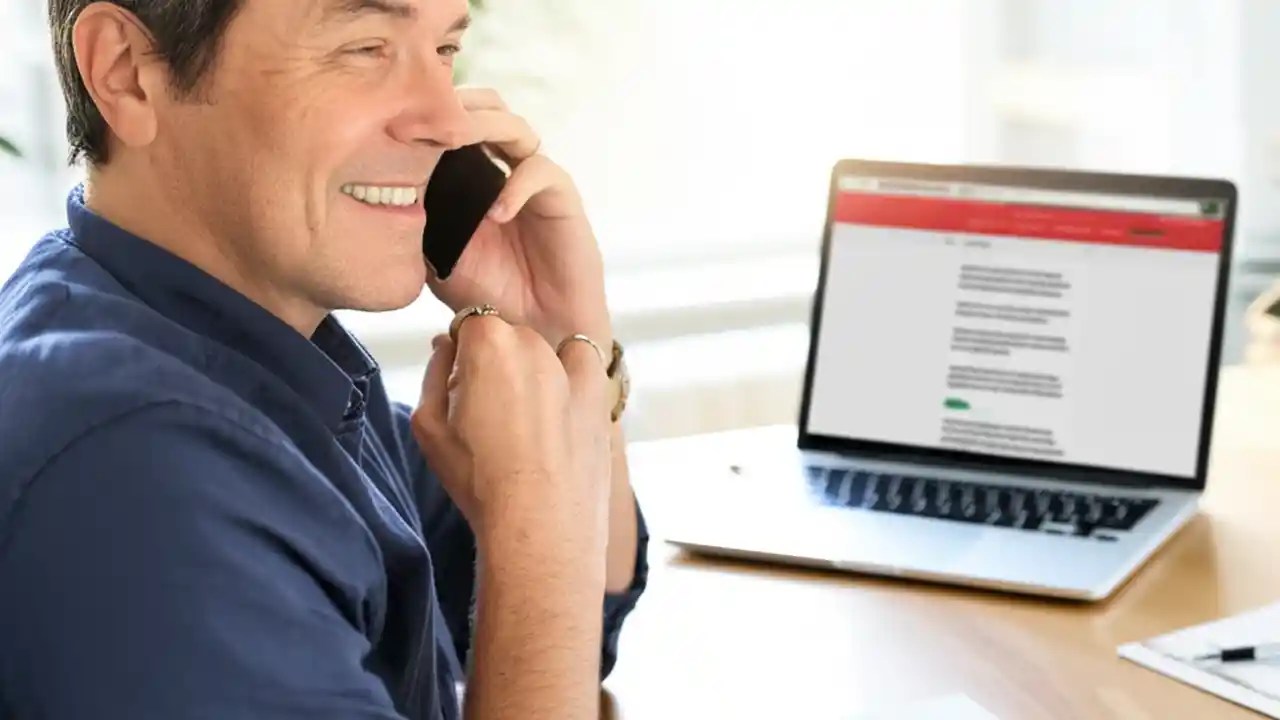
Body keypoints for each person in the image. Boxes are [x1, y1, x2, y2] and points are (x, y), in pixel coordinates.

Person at [0, 0, 648, 718]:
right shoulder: (136, 472)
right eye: (366, 48)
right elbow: (551, 601)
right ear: (126, 72)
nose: (449, 122)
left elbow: (574, 623)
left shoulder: (257, 360)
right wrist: (538, 537)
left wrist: (561, 335)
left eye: (442, 50)